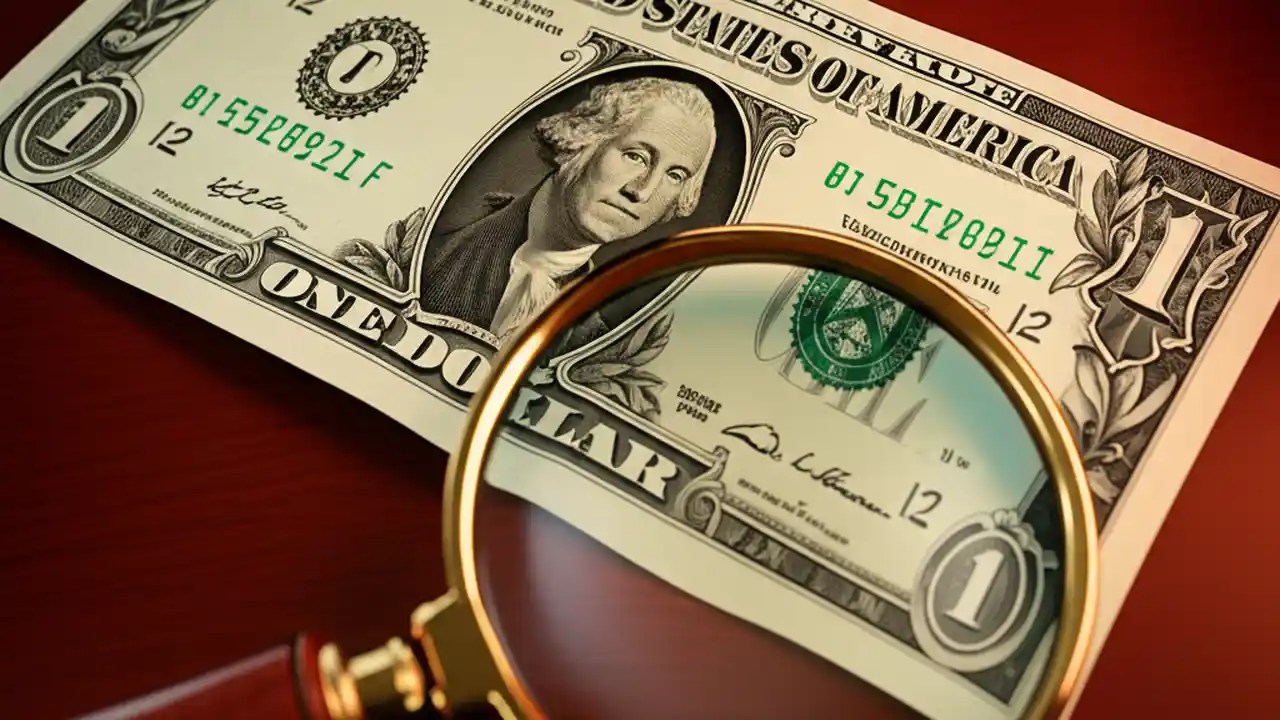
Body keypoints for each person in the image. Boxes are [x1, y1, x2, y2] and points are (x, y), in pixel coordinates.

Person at [418, 75, 717, 347]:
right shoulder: (428, 247)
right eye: (636, 156)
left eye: (675, 176)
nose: (642, 192)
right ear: (583, 142)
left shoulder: (595, 338)